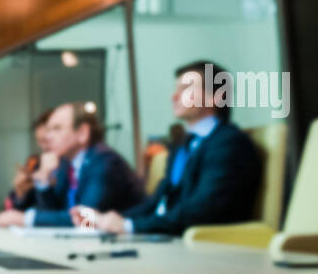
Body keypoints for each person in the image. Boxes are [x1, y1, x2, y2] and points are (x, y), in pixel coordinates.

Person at [78, 61, 260, 234]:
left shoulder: (228, 143)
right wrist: (112, 220)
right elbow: (158, 202)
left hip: (206, 243)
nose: (173, 96)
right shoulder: (182, 144)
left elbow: (204, 210)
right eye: (176, 89)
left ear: (216, 97)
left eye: (186, 89)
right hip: (175, 236)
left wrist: (130, 226)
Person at [0, 103, 142, 227]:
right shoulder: (67, 164)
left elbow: (86, 218)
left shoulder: (105, 162)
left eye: (57, 129)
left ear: (82, 133)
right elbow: (56, 213)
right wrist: (43, 180)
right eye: (48, 129)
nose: (48, 137)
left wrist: (26, 218)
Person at [5, 111, 53, 212]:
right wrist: (20, 192)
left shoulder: (71, 167)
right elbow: (20, 210)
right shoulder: (37, 166)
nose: (43, 148)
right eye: (39, 142)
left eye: (46, 141)